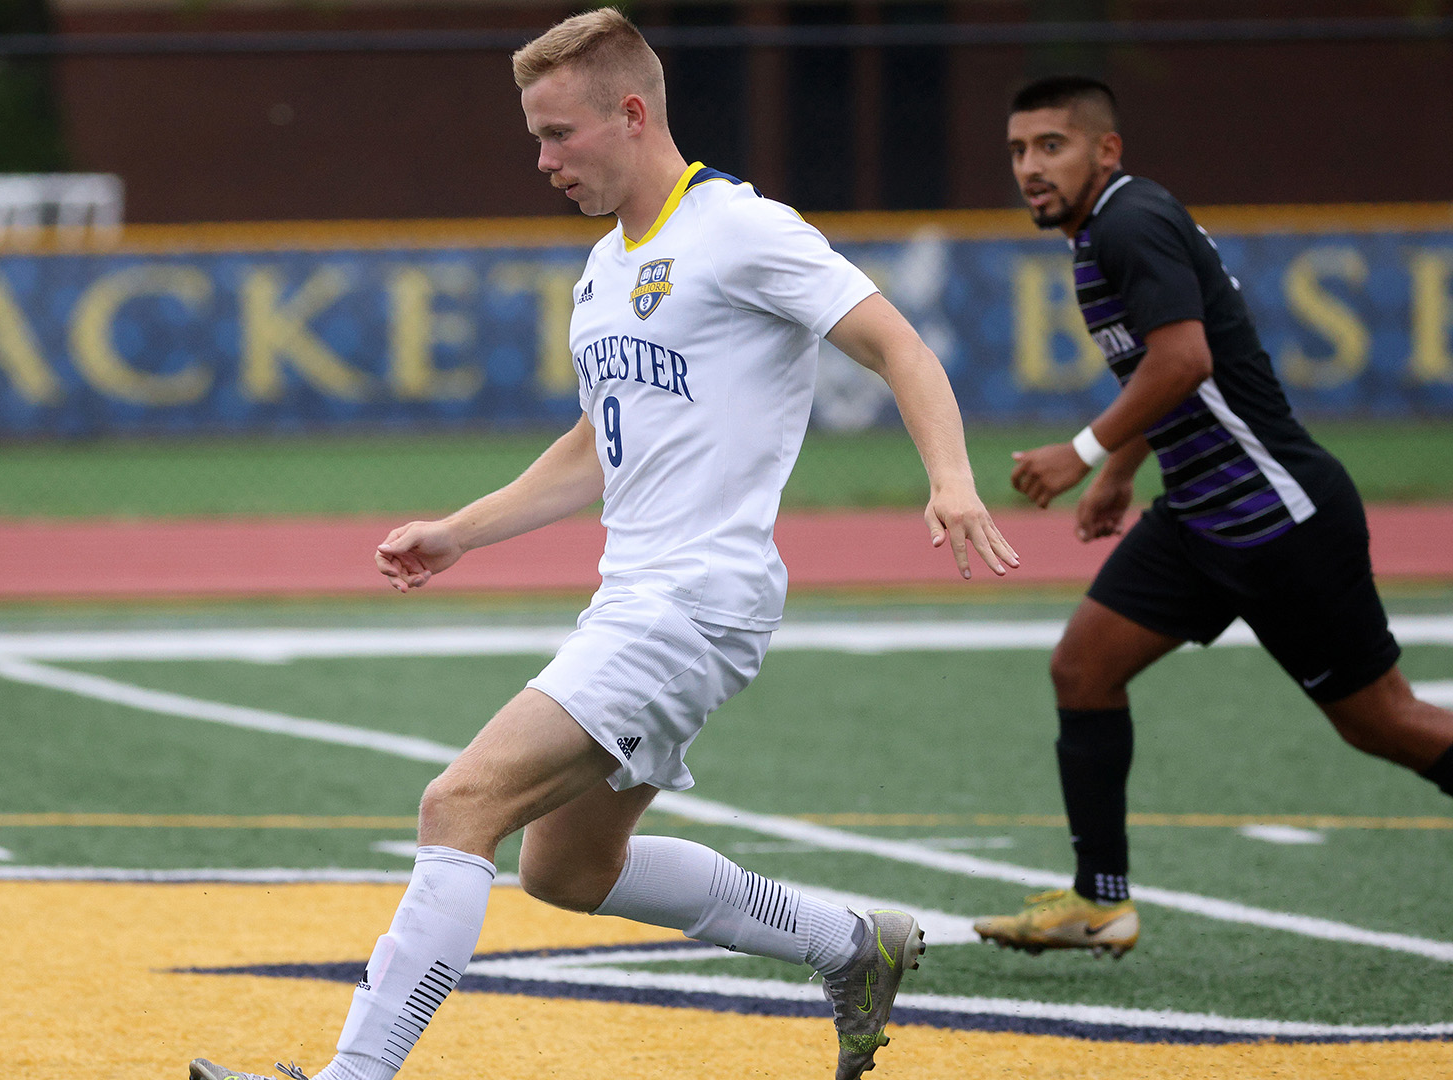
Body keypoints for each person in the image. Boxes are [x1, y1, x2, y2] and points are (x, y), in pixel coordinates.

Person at [190, 10, 1017, 1079]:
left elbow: (897, 342)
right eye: (536, 137)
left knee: (459, 803)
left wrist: (950, 479)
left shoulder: (739, 229)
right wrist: (460, 533)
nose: (543, 161)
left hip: (695, 600)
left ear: (633, 114)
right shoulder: (604, 269)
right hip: (641, 599)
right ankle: (849, 947)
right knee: (569, 871)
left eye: (560, 134)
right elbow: (597, 447)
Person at [982, 75, 1453, 958]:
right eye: (1018, 150)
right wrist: (1123, 470)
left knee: (1380, 722)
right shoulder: (1100, 234)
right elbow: (1162, 375)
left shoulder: (1128, 220)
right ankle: (1099, 901)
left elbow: (1186, 359)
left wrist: (1081, 454)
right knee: (1082, 670)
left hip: (1279, 518)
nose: (1031, 168)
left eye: (1052, 146)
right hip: (1200, 517)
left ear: (1106, 150)